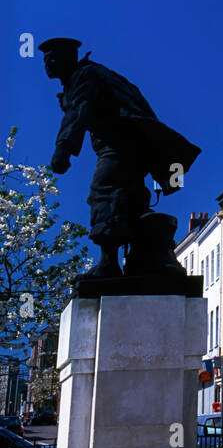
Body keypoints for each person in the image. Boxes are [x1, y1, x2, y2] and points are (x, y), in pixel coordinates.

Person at [40, 37, 200, 281]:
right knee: (130, 198)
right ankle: (148, 257)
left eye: (52, 58)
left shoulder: (86, 76)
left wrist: (63, 149)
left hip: (120, 147)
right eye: (44, 59)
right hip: (130, 147)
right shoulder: (87, 76)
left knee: (104, 191)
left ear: (68, 59)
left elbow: (78, 113)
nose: (47, 64)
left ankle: (108, 263)